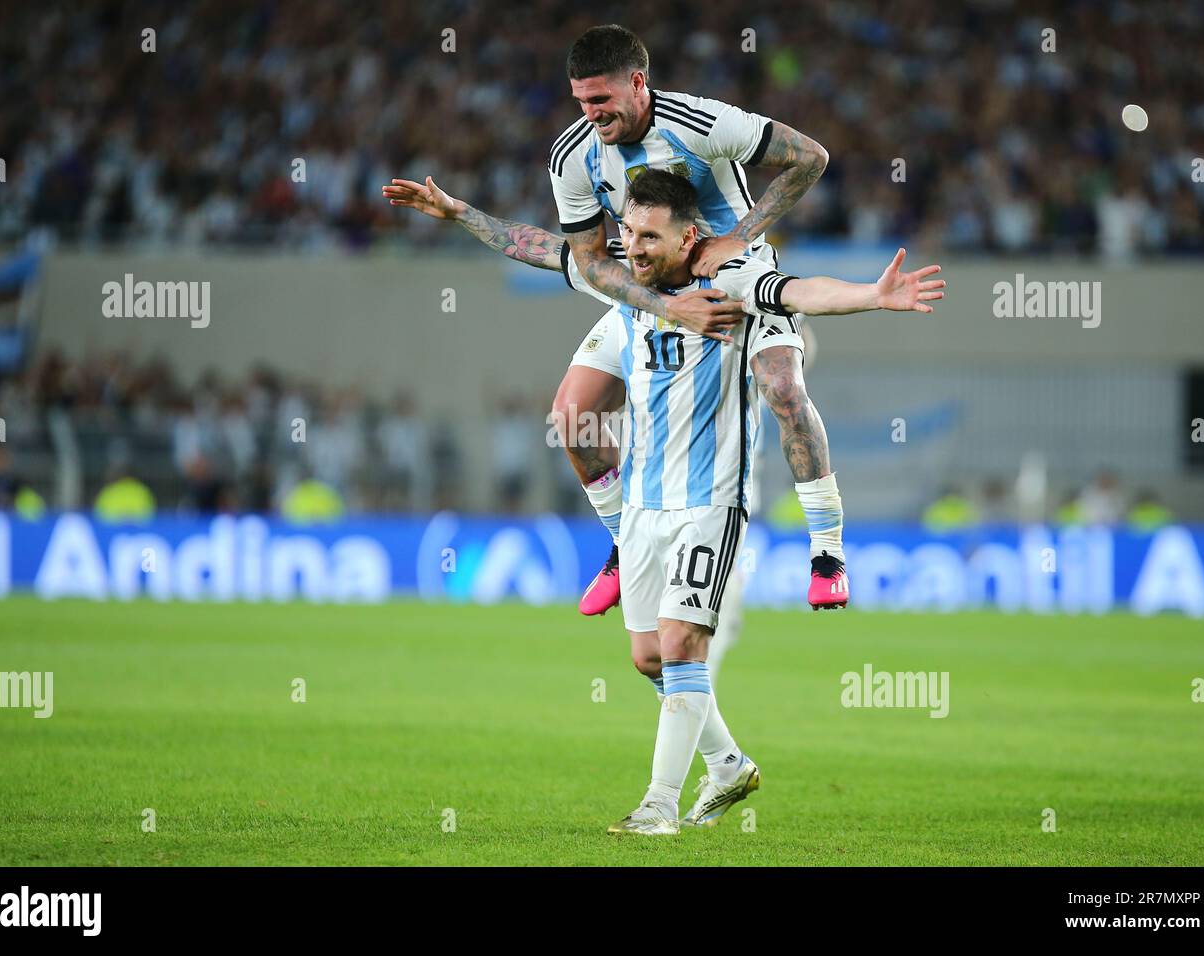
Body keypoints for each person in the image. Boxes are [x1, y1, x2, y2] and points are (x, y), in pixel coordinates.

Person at [391, 169, 942, 832]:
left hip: (711, 499)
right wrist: (458, 212)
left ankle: (658, 806)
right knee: (648, 656)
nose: (634, 246)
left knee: (681, 645)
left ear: (689, 238)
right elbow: (535, 246)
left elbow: (799, 291)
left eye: (649, 236)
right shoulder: (626, 281)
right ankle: (728, 764)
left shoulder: (732, 285)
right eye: (628, 232)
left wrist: (873, 296)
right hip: (644, 505)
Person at [392, 24, 849, 617]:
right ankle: (624, 543)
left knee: (783, 388)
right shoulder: (573, 156)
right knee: (572, 416)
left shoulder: (701, 123)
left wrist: (737, 236)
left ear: (637, 83)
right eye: (581, 100)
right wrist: (460, 214)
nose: (591, 113)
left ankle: (827, 552)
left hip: (735, 280)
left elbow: (810, 157)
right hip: (652, 292)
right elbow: (579, 257)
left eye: (601, 99)